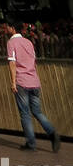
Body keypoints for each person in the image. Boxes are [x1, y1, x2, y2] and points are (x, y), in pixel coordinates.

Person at [6, 22, 61, 154]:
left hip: (22, 82)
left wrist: (13, 82)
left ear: (13, 28)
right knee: (37, 112)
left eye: (7, 27)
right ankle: (52, 132)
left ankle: (31, 143)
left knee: (25, 113)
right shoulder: (29, 43)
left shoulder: (11, 43)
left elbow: (12, 63)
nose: (6, 29)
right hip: (34, 81)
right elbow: (33, 62)